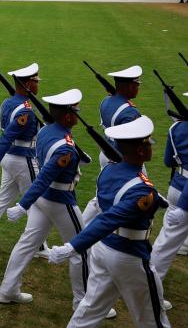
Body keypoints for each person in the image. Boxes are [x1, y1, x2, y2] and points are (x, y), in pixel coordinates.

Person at [0, 89, 114, 317]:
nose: (77, 115)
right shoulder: (64, 147)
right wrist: (22, 205)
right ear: (68, 115)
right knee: (81, 249)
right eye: (75, 112)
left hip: (44, 199)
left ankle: (7, 289)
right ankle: (83, 302)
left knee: (27, 243)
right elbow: (44, 177)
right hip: (60, 199)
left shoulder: (47, 132)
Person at [50, 116, 171, 327]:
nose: (151, 148)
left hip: (103, 249)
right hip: (130, 255)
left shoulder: (108, 171)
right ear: (140, 151)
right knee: (152, 318)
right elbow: (109, 219)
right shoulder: (143, 189)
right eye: (148, 144)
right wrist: (72, 247)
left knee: (89, 310)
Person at [0, 63, 47, 255]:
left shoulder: (8, 103)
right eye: (36, 81)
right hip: (23, 159)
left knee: (3, 198)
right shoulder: (25, 110)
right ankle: (37, 246)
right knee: (35, 201)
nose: (39, 84)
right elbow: (8, 136)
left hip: (10, 158)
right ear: (28, 84)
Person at [82, 65, 142, 225]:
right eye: (137, 84)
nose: (138, 87)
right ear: (129, 86)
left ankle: (81, 225)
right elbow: (135, 140)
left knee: (102, 194)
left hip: (107, 151)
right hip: (124, 157)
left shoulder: (106, 101)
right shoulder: (130, 112)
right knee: (138, 192)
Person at [150, 90, 188, 282]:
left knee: (167, 238)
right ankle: (149, 284)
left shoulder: (176, 128)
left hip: (177, 186)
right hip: (185, 196)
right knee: (165, 246)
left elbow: (168, 161)